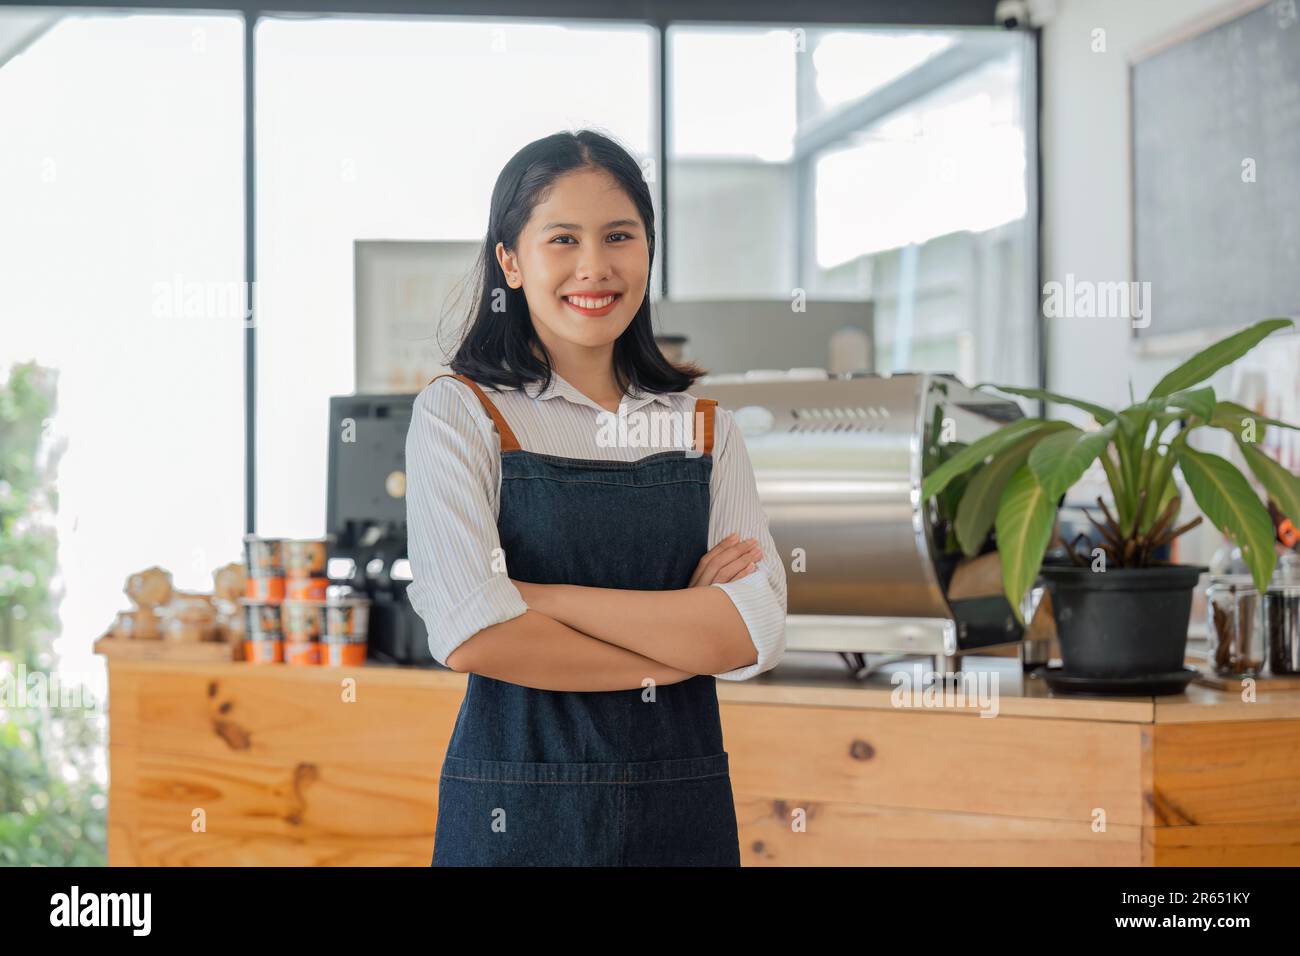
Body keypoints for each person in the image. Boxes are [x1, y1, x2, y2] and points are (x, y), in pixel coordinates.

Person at [405, 128, 787, 866]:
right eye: (562, 239)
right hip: (512, 816)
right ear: (510, 262)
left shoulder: (705, 430)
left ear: (648, 250)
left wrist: (539, 598)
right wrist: (682, 646)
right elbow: (474, 635)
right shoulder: (460, 414)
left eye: (619, 235)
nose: (595, 267)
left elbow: (753, 634)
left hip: (680, 815)